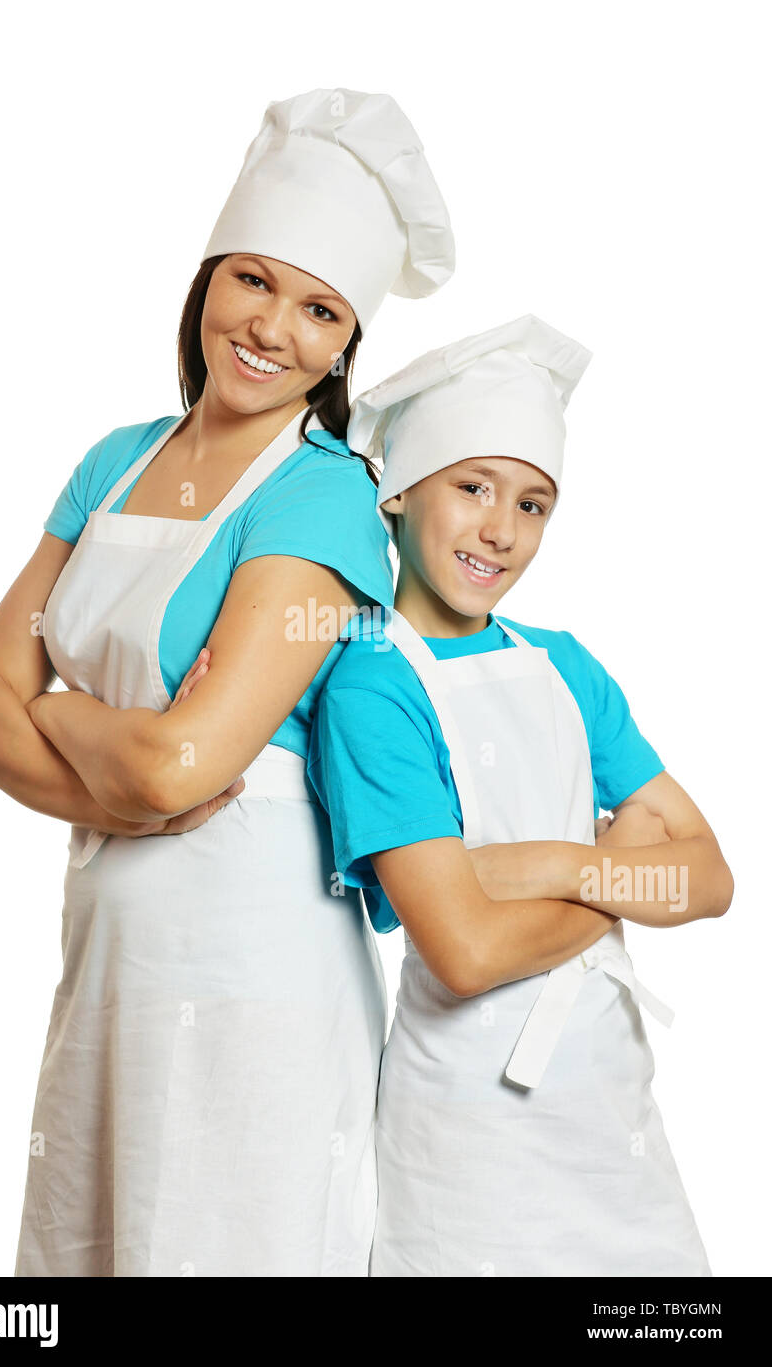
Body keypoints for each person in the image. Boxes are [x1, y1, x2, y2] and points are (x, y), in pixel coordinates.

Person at [0, 87, 455, 1277]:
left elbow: (189, 764)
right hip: (110, 962)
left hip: (250, 973)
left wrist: (55, 708)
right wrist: (114, 761)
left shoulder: (323, 495)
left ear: (343, 345)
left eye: (319, 308)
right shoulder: (113, 462)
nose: (272, 327)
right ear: (208, 277)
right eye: (254, 281)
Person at [307, 315, 733, 1276]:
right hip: (470, 1141)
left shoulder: (566, 669)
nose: (501, 530)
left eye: (533, 504)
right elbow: (463, 951)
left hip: (609, 1104)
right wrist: (615, 875)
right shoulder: (372, 685)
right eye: (472, 487)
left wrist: (537, 868)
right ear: (401, 491)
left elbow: (708, 880)